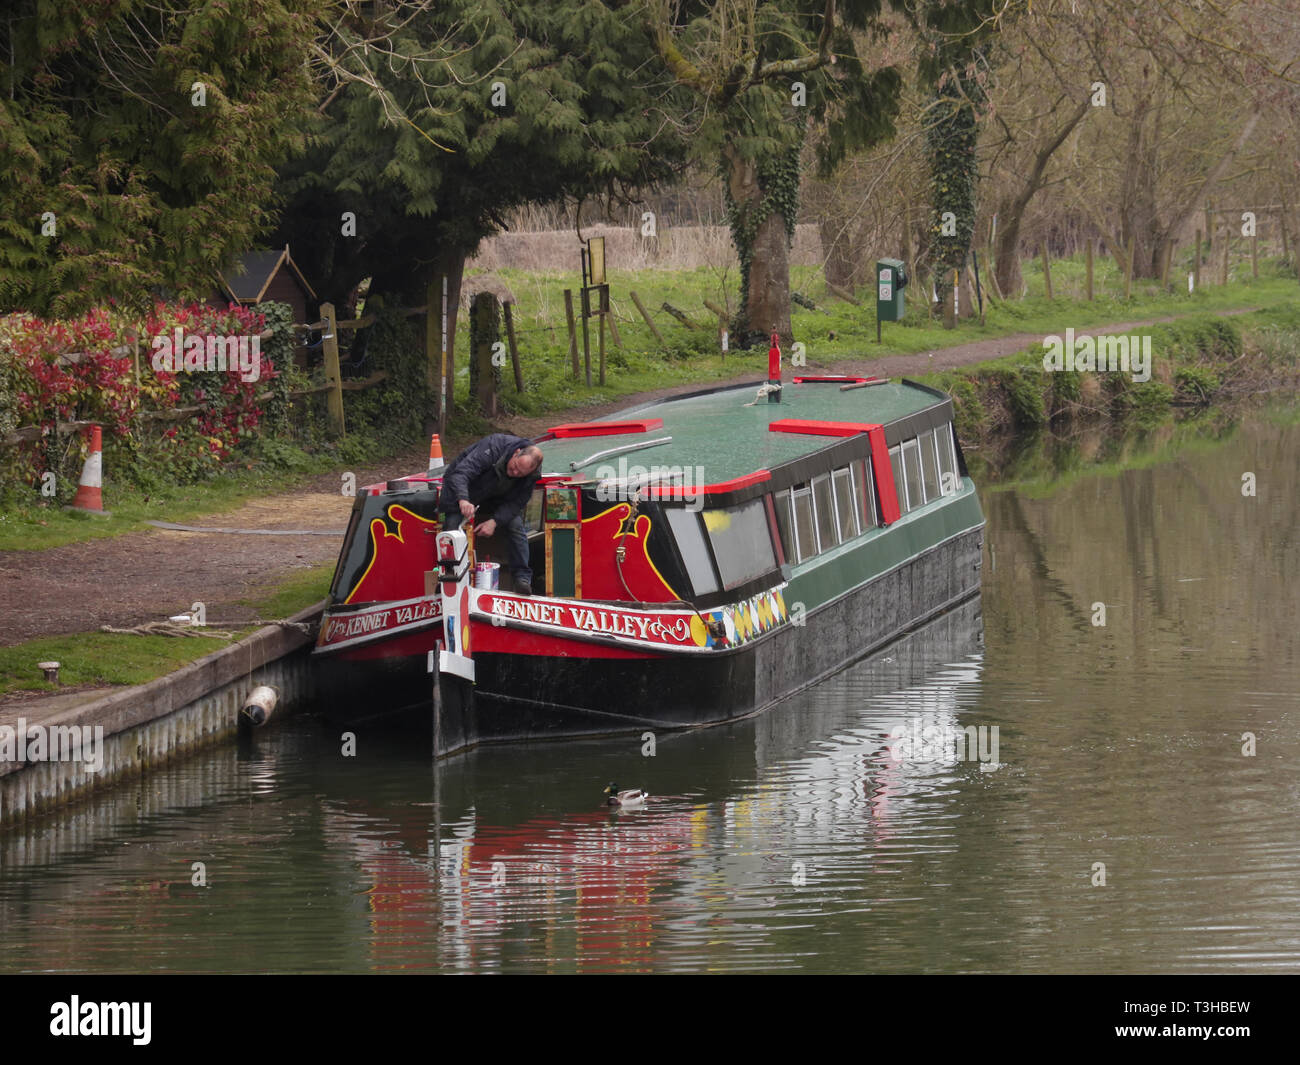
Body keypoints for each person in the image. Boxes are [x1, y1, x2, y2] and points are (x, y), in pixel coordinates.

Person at [438, 433, 544, 596]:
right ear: (516, 452)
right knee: (451, 527)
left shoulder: (532, 475)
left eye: (520, 473)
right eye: (515, 466)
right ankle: (448, 576)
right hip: (465, 489)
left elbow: (517, 503)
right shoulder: (493, 447)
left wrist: (494, 522)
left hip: (498, 496)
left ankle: (522, 579)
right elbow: (461, 474)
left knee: (516, 526)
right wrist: (463, 500)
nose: (515, 472)